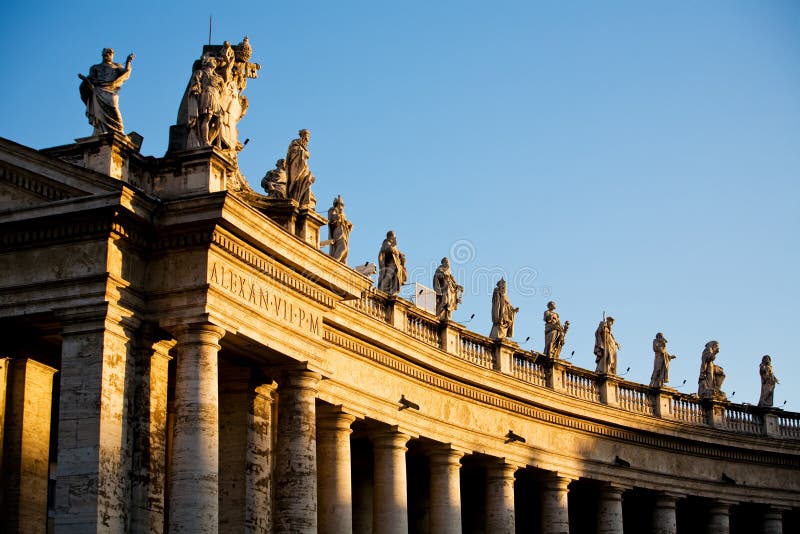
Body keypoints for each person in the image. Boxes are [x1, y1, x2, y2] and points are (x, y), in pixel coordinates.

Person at [79, 48, 135, 135]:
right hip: (97, 90)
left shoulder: (117, 66)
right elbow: (91, 79)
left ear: (113, 55)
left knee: (114, 108)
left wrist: (128, 62)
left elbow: (126, 73)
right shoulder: (95, 67)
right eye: (106, 54)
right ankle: (99, 131)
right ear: (102, 55)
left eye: (110, 53)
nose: (108, 55)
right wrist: (85, 81)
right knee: (99, 111)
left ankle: (119, 129)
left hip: (110, 90)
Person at [285, 129, 316, 207]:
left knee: (304, 180)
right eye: (306, 135)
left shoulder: (304, 145)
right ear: (302, 135)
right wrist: (302, 152)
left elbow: (307, 154)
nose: (307, 138)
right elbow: (291, 152)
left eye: (308, 136)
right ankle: (292, 195)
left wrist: (305, 153)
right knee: (294, 180)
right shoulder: (295, 142)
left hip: (303, 165)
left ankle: (299, 198)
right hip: (295, 164)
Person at [377, 231, 406, 295]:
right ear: (390, 237)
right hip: (389, 266)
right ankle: (386, 291)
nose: (395, 238)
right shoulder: (386, 243)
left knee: (395, 278)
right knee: (389, 279)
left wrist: (401, 255)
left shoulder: (393, 245)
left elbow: (397, 252)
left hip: (394, 266)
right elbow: (388, 250)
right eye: (394, 236)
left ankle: (392, 292)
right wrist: (393, 246)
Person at [327, 196, 353, 263]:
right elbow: (331, 218)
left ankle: (341, 263)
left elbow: (345, 222)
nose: (342, 206)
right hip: (337, 232)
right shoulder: (333, 209)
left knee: (346, 249)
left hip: (343, 233)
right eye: (341, 204)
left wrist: (348, 224)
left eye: (343, 205)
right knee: (342, 247)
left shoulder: (342, 213)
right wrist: (338, 216)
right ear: (337, 204)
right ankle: (335, 262)